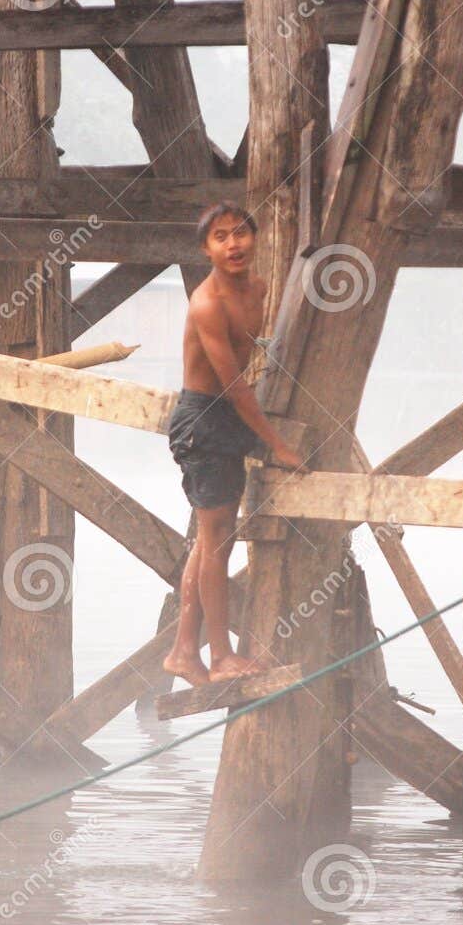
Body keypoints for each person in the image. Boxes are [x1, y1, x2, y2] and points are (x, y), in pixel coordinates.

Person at [163, 203, 307, 686]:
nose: (233, 244)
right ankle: (221, 656)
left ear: (255, 238)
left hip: (226, 418)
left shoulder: (258, 289)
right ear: (206, 250)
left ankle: (185, 651)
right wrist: (276, 444)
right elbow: (234, 385)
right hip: (203, 420)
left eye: (240, 233)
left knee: (213, 539)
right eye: (220, 237)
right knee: (218, 543)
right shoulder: (208, 304)